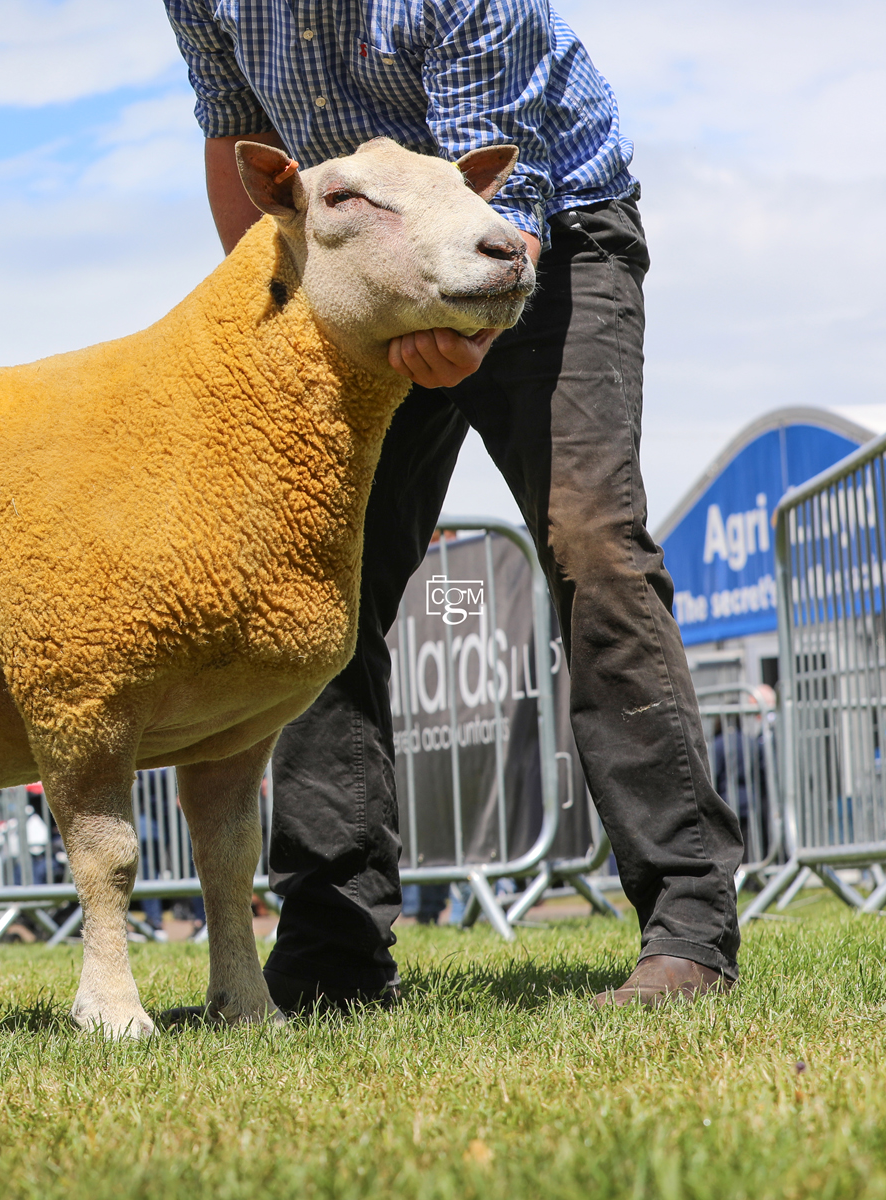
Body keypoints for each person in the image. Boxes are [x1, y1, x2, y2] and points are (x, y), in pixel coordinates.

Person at [162, 0, 744, 1010]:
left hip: (538, 240)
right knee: (321, 585)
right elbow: (235, 135)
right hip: (360, 271)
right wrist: (287, 314)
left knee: (591, 541)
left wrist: (469, 331)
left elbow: (502, 192)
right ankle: (331, 957)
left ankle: (689, 926)